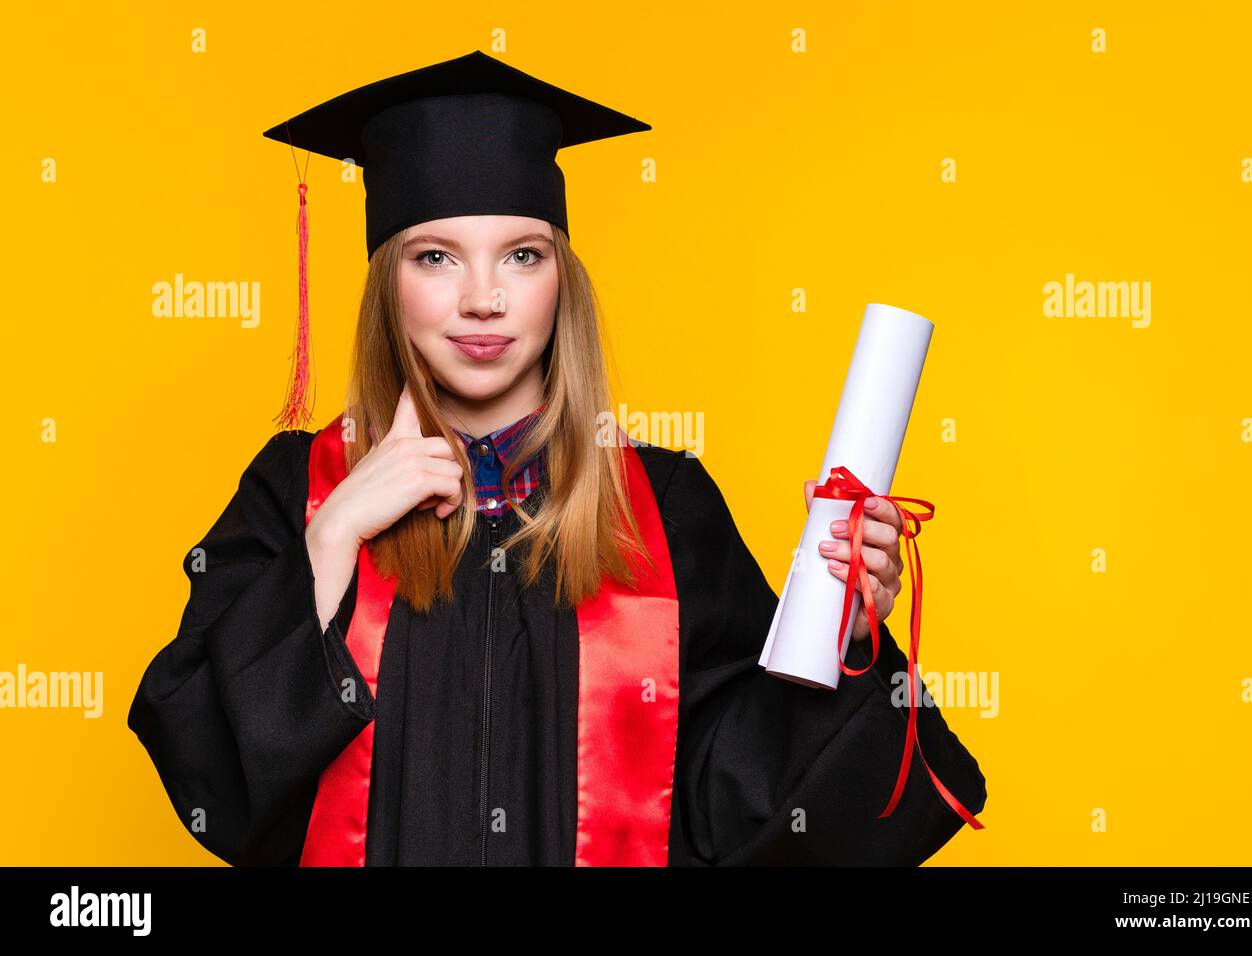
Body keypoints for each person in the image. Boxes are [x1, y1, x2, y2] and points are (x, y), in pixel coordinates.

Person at [127, 50, 986, 867]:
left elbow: (739, 801)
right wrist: (337, 529)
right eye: (436, 257)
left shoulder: (663, 504)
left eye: (522, 256)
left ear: (560, 280)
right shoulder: (297, 488)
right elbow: (209, 772)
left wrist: (847, 633)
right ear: (388, 281)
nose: (483, 298)